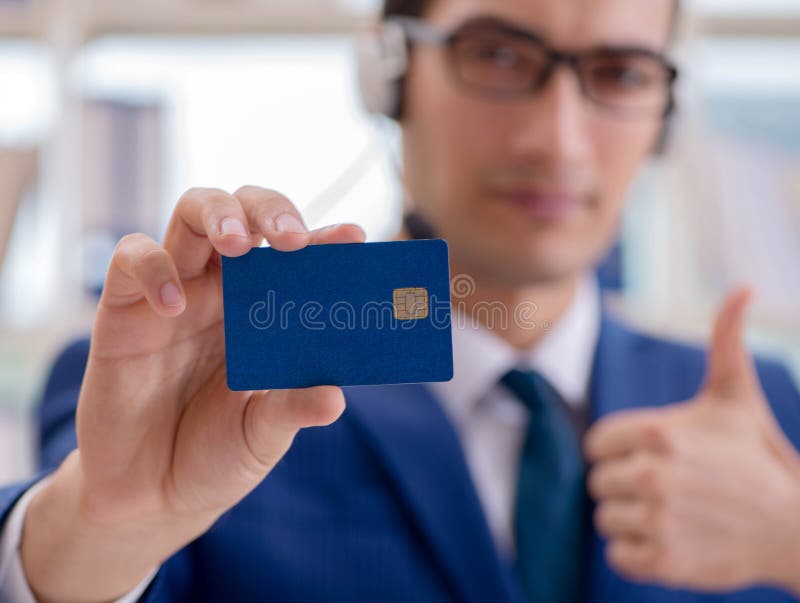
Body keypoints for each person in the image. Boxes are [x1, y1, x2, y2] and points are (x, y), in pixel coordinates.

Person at [2, 0, 800, 601]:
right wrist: (104, 527)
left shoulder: (762, 414)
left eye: (622, 72)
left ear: (665, 116)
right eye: (497, 54)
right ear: (387, 75)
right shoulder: (207, 382)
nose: (556, 140)